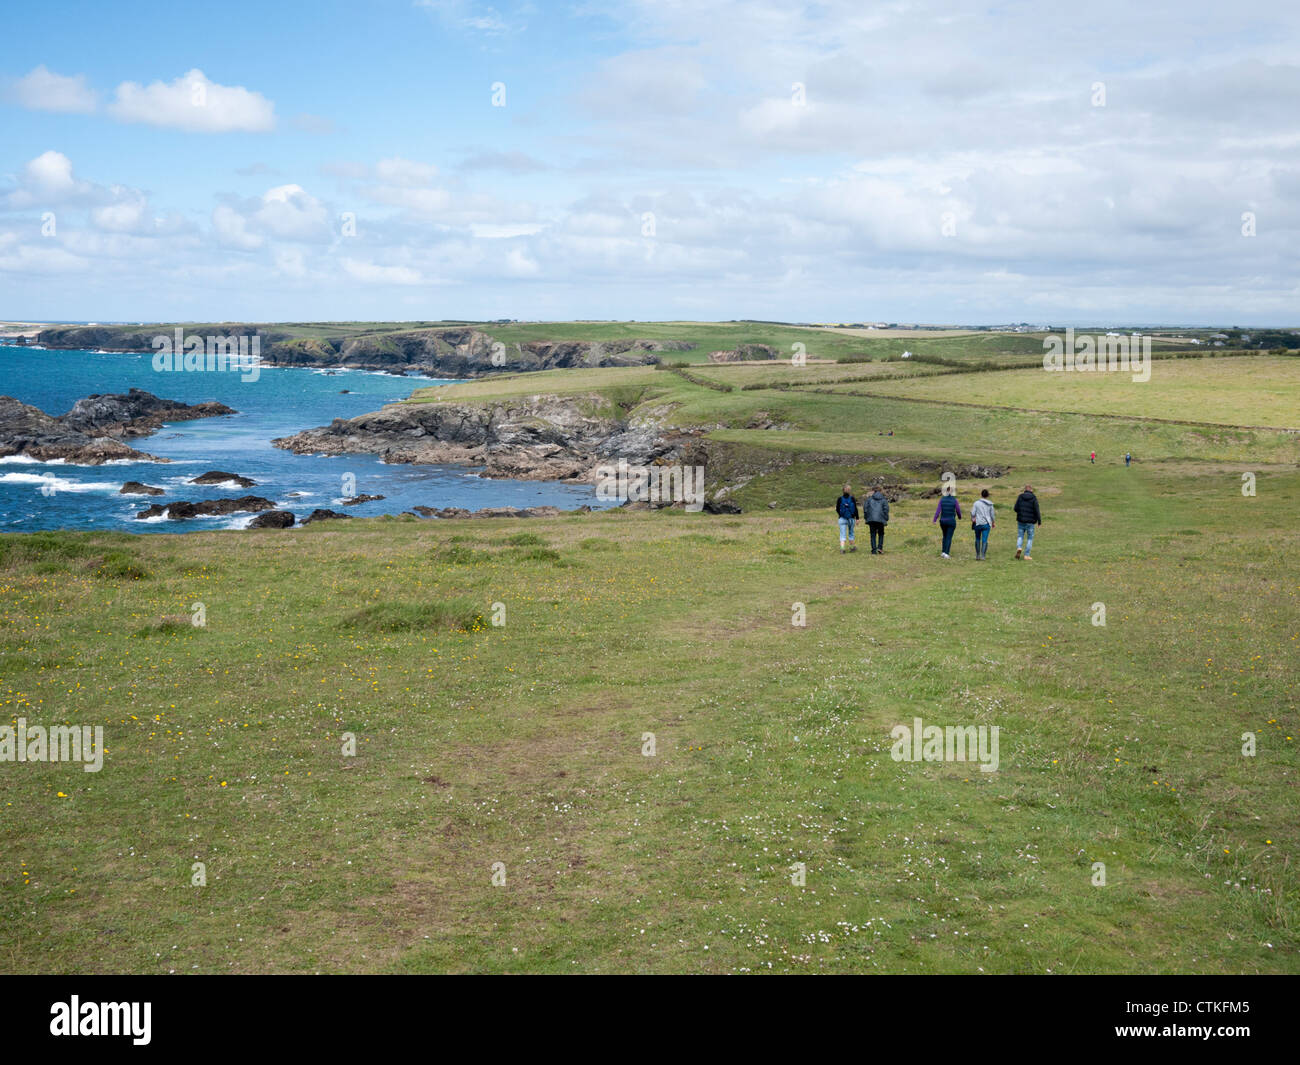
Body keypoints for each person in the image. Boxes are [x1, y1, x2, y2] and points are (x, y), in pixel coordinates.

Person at [1013, 483, 1042, 560]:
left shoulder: (1020, 497)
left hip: (1021, 520)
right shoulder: (1034, 498)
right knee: (1030, 538)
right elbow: (1037, 510)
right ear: (1031, 490)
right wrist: (1039, 521)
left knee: (1020, 536)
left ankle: (1019, 548)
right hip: (1030, 522)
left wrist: (1021, 512)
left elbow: (1015, 508)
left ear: (1025, 490)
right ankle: (1026, 555)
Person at [932, 489, 961, 558]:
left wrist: (934, 520)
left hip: (943, 521)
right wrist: (959, 517)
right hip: (951, 521)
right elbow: (958, 510)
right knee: (949, 537)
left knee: (944, 536)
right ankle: (946, 553)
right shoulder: (955, 500)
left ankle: (943, 552)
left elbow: (938, 511)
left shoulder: (942, 500)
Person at [863, 485, 890, 554]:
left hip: (871, 519)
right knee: (881, 533)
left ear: (873, 491)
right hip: (881, 519)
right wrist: (886, 518)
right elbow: (886, 510)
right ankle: (880, 548)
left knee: (873, 534)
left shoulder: (869, 499)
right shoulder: (884, 500)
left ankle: (874, 550)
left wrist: (866, 517)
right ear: (880, 491)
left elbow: (865, 509)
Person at [971, 488, 994, 560]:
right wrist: (993, 522)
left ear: (981, 495)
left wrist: (972, 518)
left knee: (977, 538)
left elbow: (972, 513)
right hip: (986, 524)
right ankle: (983, 556)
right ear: (988, 495)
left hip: (977, 523)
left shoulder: (976, 503)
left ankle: (977, 555)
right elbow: (992, 515)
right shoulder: (990, 504)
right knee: (985, 539)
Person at [835, 483, 859, 553]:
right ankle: (852, 548)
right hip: (851, 519)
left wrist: (841, 515)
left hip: (842, 519)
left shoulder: (840, 499)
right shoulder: (852, 498)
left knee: (842, 534)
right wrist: (857, 518)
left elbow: (837, 509)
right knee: (851, 533)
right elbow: (855, 509)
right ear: (849, 491)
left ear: (843, 491)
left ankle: (842, 549)